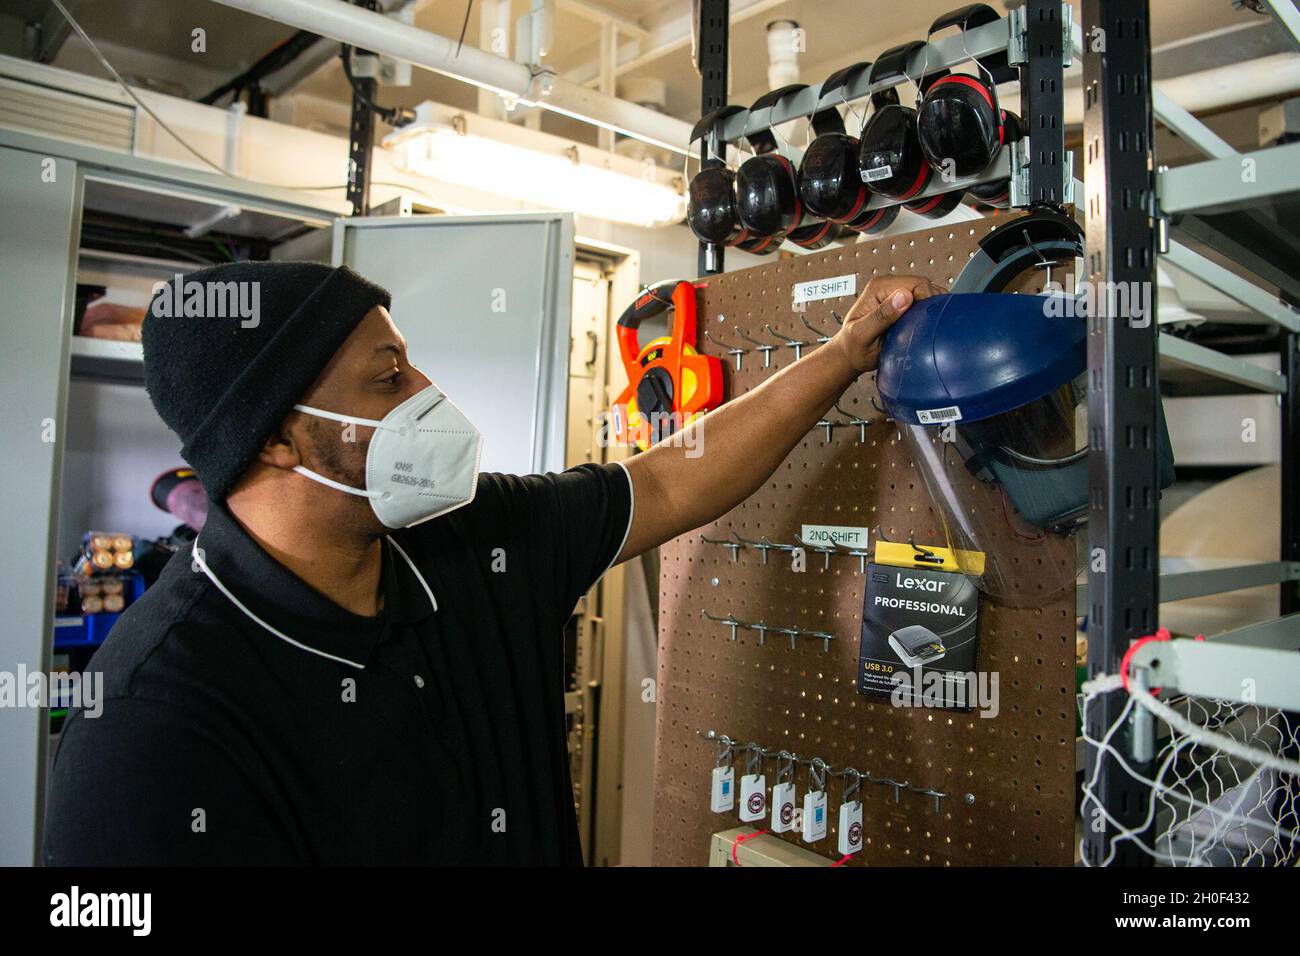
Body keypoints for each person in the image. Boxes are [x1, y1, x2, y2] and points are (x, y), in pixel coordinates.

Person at [42, 260, 939, 865]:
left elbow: (665, 486)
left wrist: (841, 357)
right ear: (278, 438)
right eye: (388, 378)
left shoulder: (471, 539)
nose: (427, 395)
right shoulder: (152, 723)